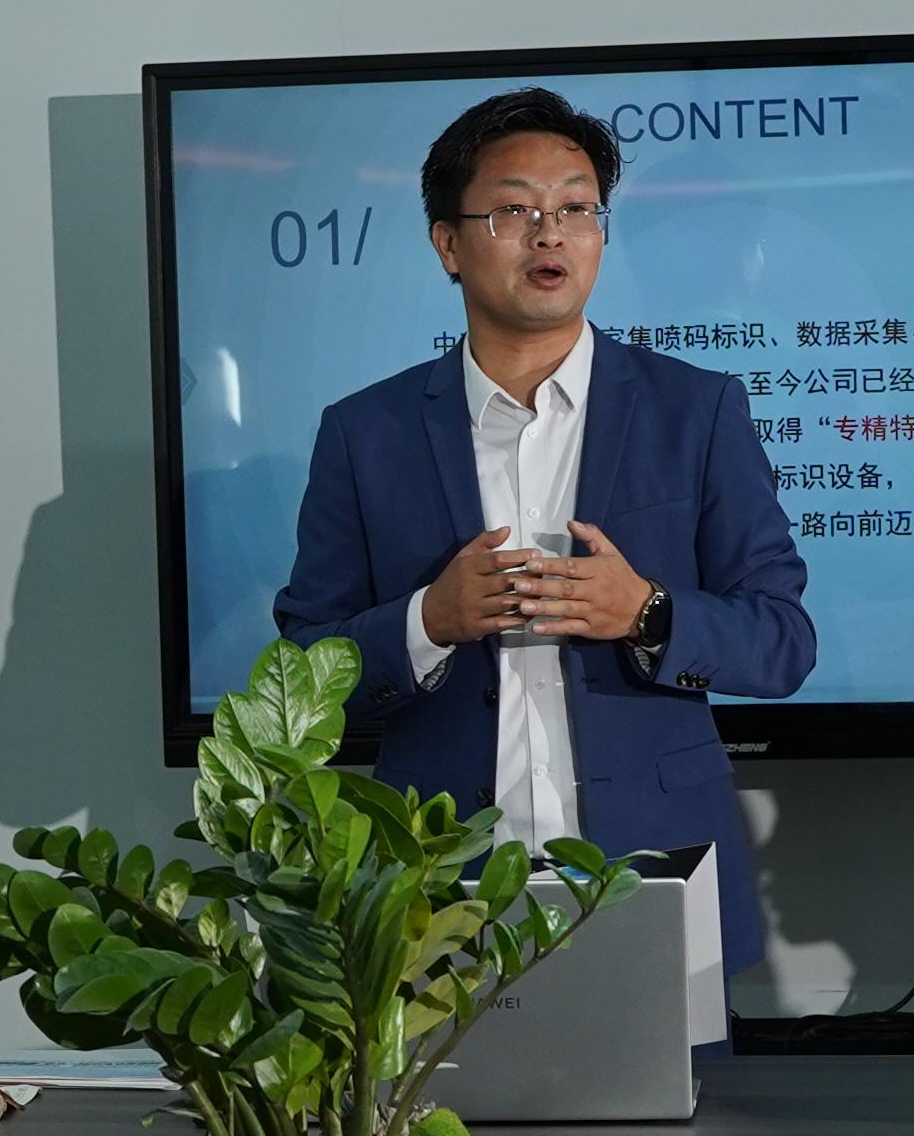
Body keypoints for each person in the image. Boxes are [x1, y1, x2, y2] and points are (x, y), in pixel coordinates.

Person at [267, 86, 813, 1009]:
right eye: (515, 210)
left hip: (653, 868)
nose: (550, 233)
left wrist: (646, 613)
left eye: (576, 209)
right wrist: (427, 621)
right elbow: (300, 671)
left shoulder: (696, 410)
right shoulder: (366, 432)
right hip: (436, 888)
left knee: (667, 1110)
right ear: (448, 244)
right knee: (436, 1107)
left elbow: (782, 641)